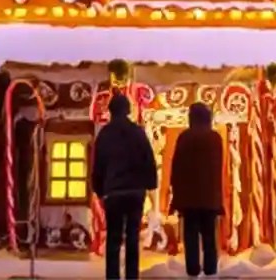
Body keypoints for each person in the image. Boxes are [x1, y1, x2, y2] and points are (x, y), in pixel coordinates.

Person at [92, 94, 158, 280]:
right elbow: (148, 161)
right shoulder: (137, 132)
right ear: (128, 110)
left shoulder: (105, 134)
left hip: (113, 192)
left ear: (111, 111)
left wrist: (99, 190)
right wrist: (150, 184)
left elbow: (98, 165)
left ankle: (112, 276)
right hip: (135, 192)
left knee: (113, 237)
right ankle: (131, 276)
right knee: (132, 237)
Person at [168, 102, 224, 278]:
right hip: (209, 198)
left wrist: (175, 195)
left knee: (191, 237)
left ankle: (192, 271)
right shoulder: (215, 138)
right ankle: (210, 271)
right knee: (209, 237)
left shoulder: (184, 137)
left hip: (189, 198)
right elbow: (217, 170)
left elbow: (176, 168)